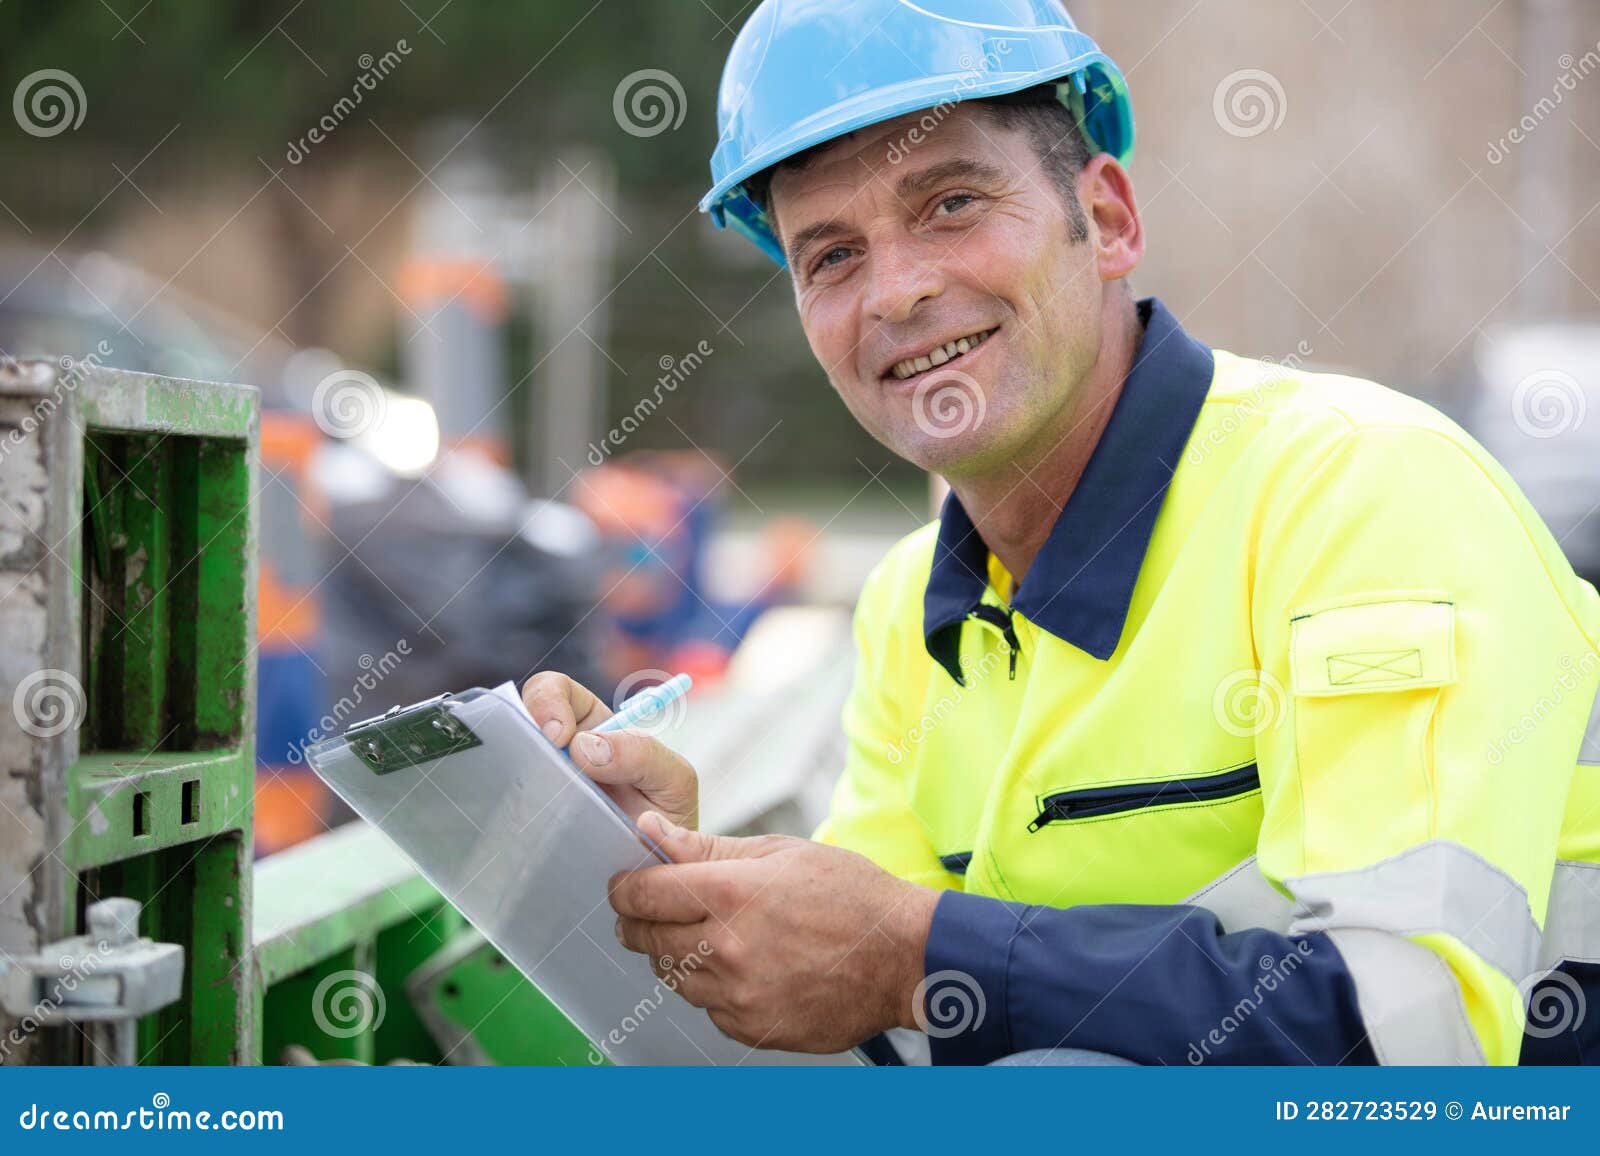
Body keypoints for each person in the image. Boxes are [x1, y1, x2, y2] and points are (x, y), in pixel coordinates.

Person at [524, 0, 1600, 1065]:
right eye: (832, 257)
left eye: (950, 202)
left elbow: (1414, 1043)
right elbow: (881, 1042)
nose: (897, 291)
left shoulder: (1362, 493)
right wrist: (672, 874)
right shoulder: (910, 608)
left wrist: (916, 954)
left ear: (1112, 220)